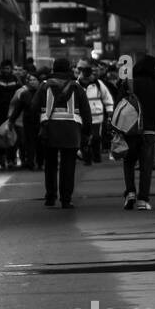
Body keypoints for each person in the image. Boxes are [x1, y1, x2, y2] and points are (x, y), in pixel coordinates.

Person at [31, 58, 91, 208]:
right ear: (69, 69)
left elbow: (33, 108)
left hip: (49, 130)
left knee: (50, 164)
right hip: (71, 132)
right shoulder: (77, 87)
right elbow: (86, 112)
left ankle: (50, 197)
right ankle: (66, 199)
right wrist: (86, 133)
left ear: (54, 68)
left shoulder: (44, 86)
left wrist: (36, 128)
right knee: (68, 166)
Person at [122, 55, 155, 210]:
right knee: (146, 165)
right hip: (149, 131)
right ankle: (143, 199)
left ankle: (130, 192)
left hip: (129, 130)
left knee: (129, 162)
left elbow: (119, 107)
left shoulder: (128, 83)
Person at [77, 62, 113, 166]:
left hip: (97, 116)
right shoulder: (77, 84)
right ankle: (87, 158)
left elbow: (107, 97)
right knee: (84, 138)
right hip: (82, 117)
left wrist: (110, 110)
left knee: (96, 137)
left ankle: (97, 157)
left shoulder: (98, 84)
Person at [0, 59, 20, 169]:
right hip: (0, 113)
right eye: (4, 69)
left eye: (8, 68)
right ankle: (2, 158)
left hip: (12, 113)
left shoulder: (16, 80)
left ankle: (11, 158)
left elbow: (19, 96)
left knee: (12, 136)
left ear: (10, 69)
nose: (6, 71)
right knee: (0, 136)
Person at [8, 72, 40, 169]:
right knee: (29, 143)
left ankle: (39, 161)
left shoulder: (43, 92)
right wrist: (11, 120)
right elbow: (18, 108)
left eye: (35, 80)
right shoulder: (24, 94)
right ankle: (30, 162)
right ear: (27, 82)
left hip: (41, 121)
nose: (33, 82)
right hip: (29, 122)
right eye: (31, 80)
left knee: (39, 143)